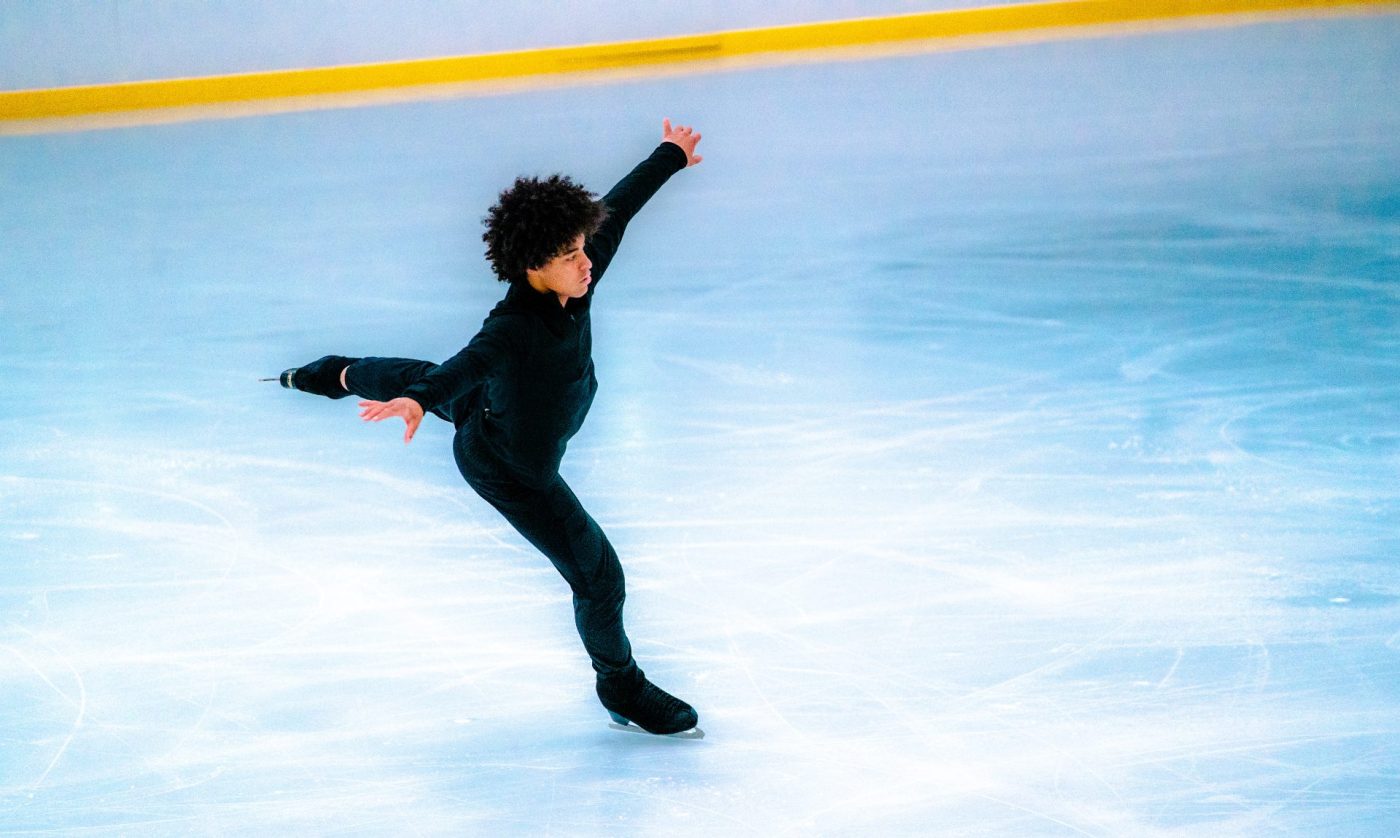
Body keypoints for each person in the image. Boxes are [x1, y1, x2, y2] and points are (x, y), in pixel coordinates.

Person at [275, 119, 704, 736]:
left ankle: (330, 374)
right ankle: (622, 687)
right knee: (600, 577)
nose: (587, 264)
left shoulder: (574, 273)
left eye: (582, 248)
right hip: (508, 464)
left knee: (406, 375)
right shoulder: (510, 329)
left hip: (496, 405)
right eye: (569, 257)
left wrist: (669, 155)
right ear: (533, 267)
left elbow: (619, 208)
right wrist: (422, 403)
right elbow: (464, 367)